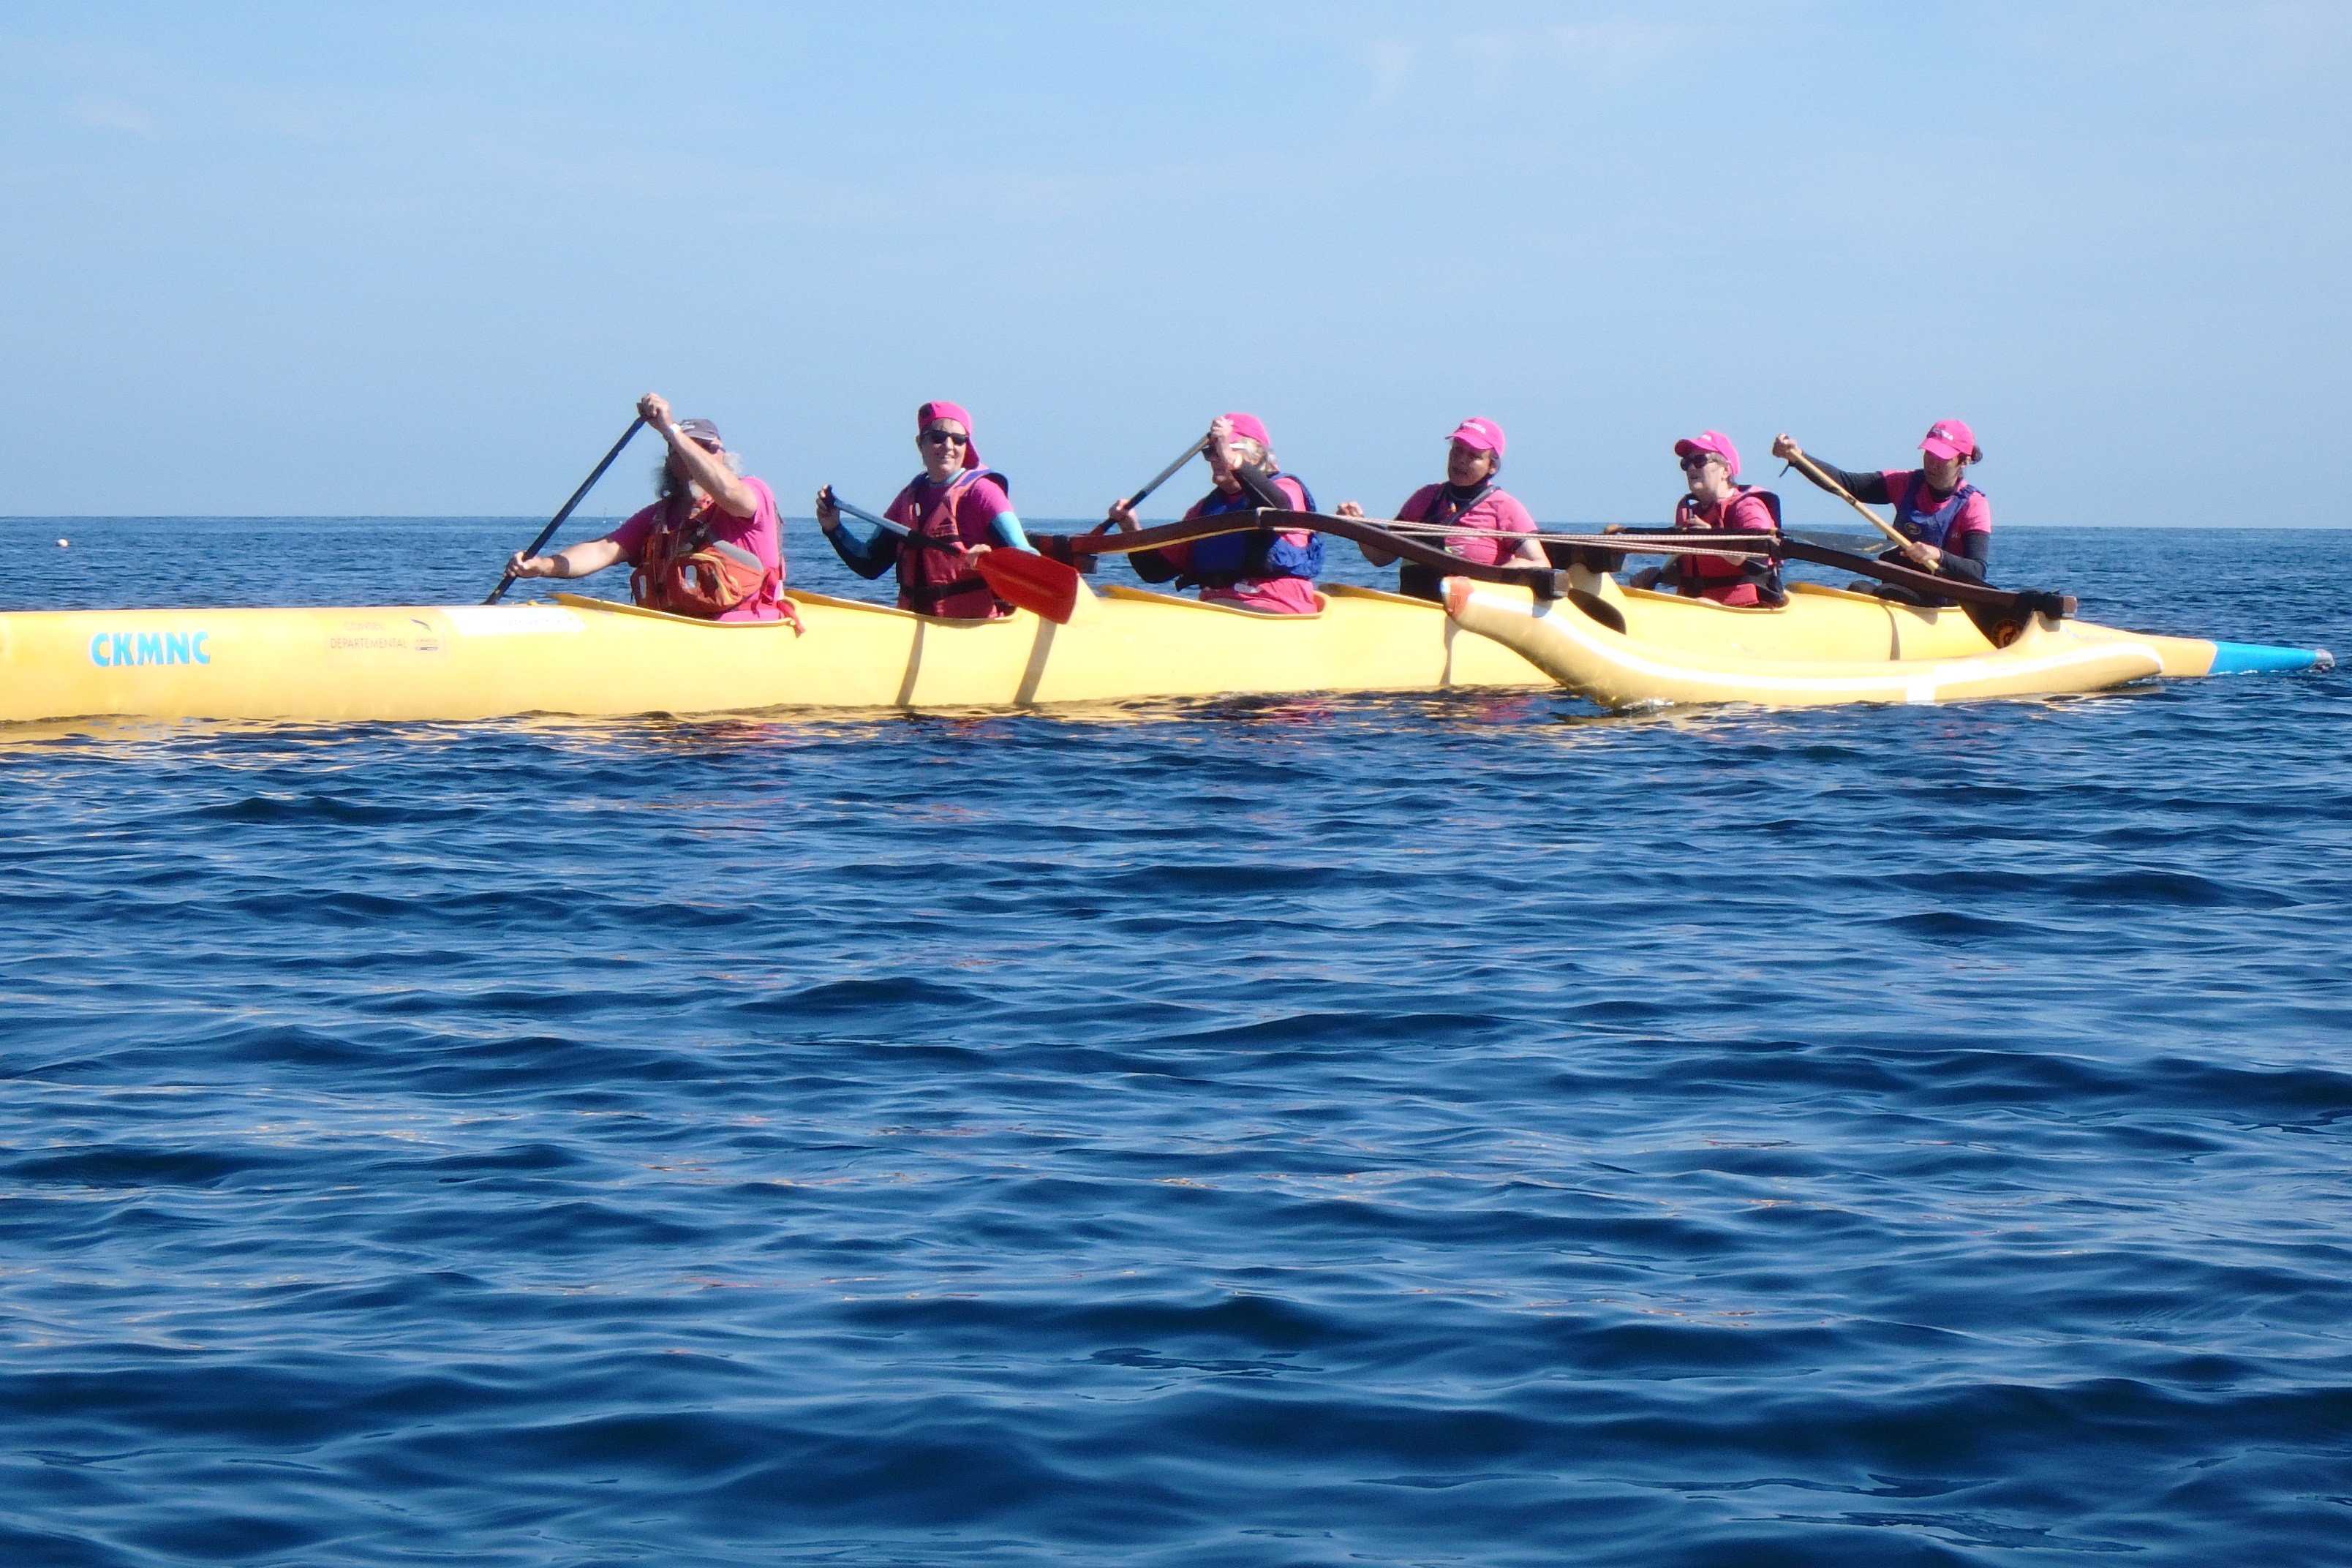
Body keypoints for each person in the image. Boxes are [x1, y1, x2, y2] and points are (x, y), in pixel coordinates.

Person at [504, 394, 788, 622]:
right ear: (670, 464)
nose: (695, 457)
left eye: (707, 449)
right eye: (685, 451)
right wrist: (543, 566)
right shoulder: (658, 517)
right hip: (674, 629)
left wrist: (671, 430)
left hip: (744, 629)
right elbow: (602, 550)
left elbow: (727, 491)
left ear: (725, 456)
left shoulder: (753, 493)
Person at [816, 401, 1034, 619]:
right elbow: (870, 564)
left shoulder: (984, 493)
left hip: (971, 629)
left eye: (959, 440)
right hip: (914, 625)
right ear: (920, 443)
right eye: (938, 437)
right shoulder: (907, 500)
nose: (949, 446)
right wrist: (834, 528)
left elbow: (1028, 557)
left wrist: (993, 561)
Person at [1104, 413, 1322, 614]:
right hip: (1217, 607)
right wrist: (1131, 528)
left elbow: (1278, 509)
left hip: (1275, 607)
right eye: (1210, 451)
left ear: (1255, 455)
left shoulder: (1285, 487)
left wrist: (1232, 460)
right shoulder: (1205, 509)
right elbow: (1155, 572)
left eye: (1222, 449)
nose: (1214, 458)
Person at [1771, 421, 1989, 605]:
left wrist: (1938, 555)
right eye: (1929, 454)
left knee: (1888, 594)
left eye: (1942, 457)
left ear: (1963, 461)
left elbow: (1977, 571)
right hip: (1895, 588)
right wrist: (1797, 458)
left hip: (1940, 602)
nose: (1932, 463)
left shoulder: (1973, 505)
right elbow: (1846, 484)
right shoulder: (1905, 483)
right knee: (1860, 588)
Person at [1335, 417, 1545, 603]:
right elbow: (1381, 558)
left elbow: (1539, 562)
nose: (1461, 459)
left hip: (1469, 617)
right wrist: (1359, 525)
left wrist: (1490, 579)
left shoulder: (1504, 507)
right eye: (1457, 450)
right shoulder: (1426, 498)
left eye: (1474, 455)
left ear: (1492, 466)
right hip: (1416, 611)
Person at [1627, 431, 1784, 606]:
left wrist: (1713, 540)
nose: (1692, 468)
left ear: (1725, 470)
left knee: (1701, 602)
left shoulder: (1747, 507)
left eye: (1700, 461)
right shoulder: (1692, 512)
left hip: (1744, 609)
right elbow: (1699, 572)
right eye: (1686, 463)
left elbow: (1758, 561)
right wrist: (1659, 575)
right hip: (1697, 606)